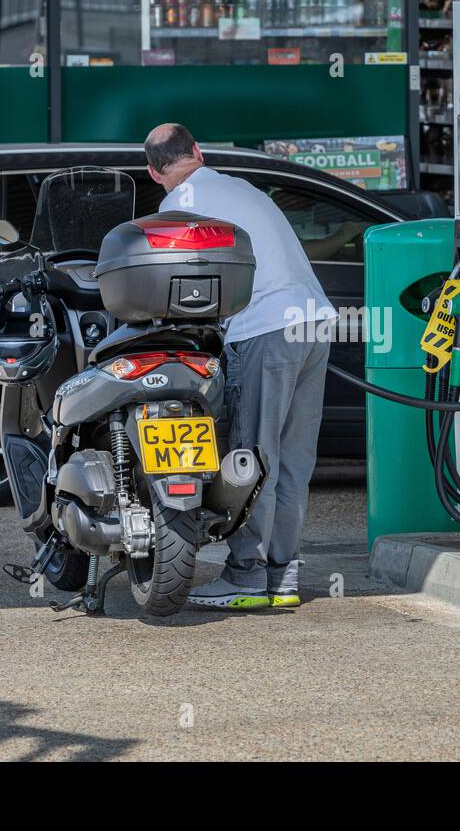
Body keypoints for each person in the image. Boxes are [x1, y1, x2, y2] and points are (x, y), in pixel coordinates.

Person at [144, 123, 337, 610]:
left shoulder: (178, 206)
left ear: (152, 172)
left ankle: (246, 576)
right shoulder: (241, 186)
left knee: (254, 458)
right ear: (198, 152)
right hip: (313, 322)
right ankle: (283, 577)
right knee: (293, 462)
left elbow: (178, 284)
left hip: (266, 329)